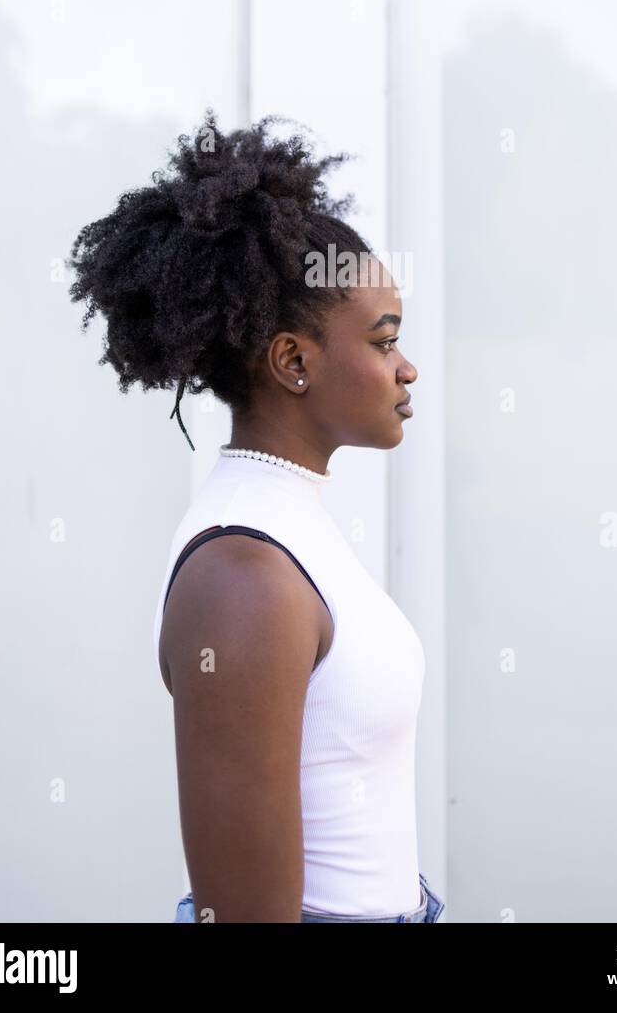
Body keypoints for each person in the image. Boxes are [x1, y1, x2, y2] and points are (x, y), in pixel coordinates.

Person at [67, 109, 444, 923]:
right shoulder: (243, 578)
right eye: (383, 343)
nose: (407, 368)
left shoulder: (290, 525)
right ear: (293, 362)